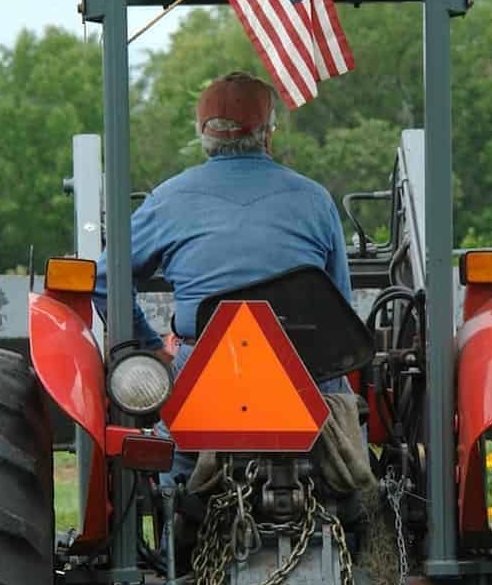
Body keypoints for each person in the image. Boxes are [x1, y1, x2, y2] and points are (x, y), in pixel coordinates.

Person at [94, 70, 352, 379]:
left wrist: (151, 348)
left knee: (164, 422)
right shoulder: (316, 200)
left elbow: (103, 280)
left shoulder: (168, 199)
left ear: (203, 136)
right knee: (342, 415)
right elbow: (339, 310)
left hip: (203, 379)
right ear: (268, 134)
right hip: (301, 376)